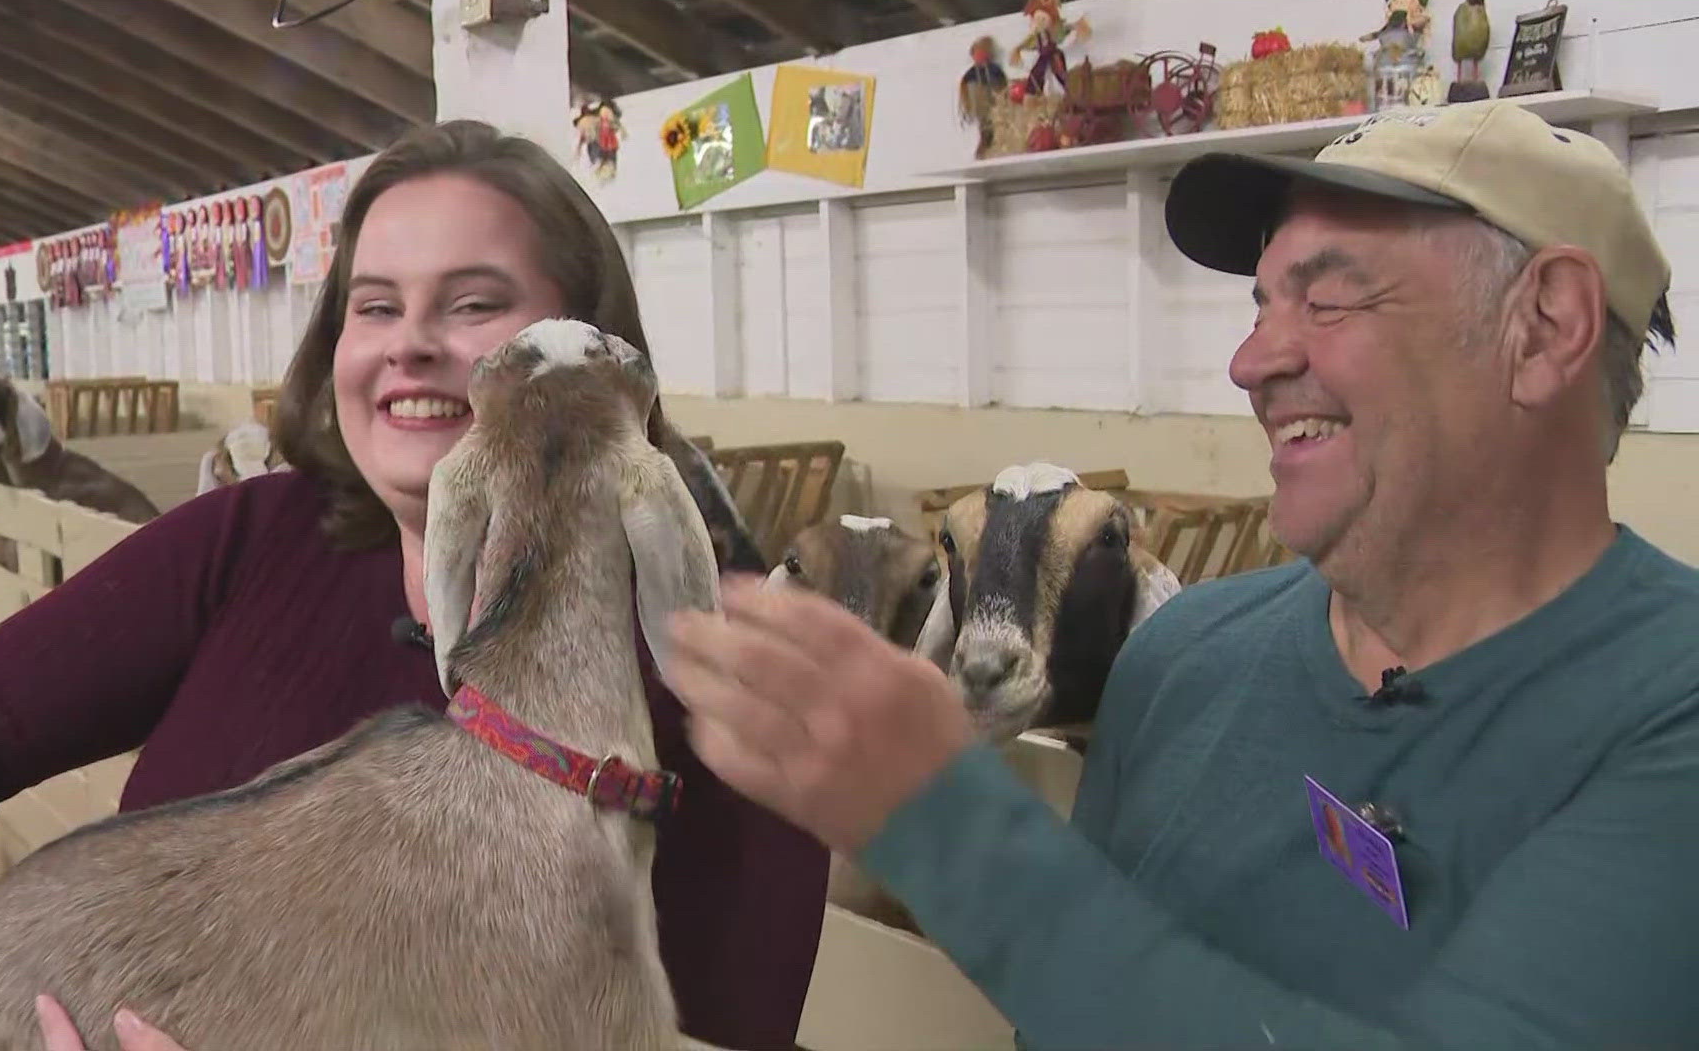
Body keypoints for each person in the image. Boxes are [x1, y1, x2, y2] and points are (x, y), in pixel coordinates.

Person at [666, 98, 1699, 1049]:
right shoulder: (1186, 657)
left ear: (1547, 325)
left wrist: (942, 821)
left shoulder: (1666, 712)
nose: (1250, 363)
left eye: (1329, 300)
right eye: (1260, 305)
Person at [0, 120, 829, 1051]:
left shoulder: (727, 700)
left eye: (476, 304)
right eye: (374, 305)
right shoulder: (253, 544)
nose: (409, 342)